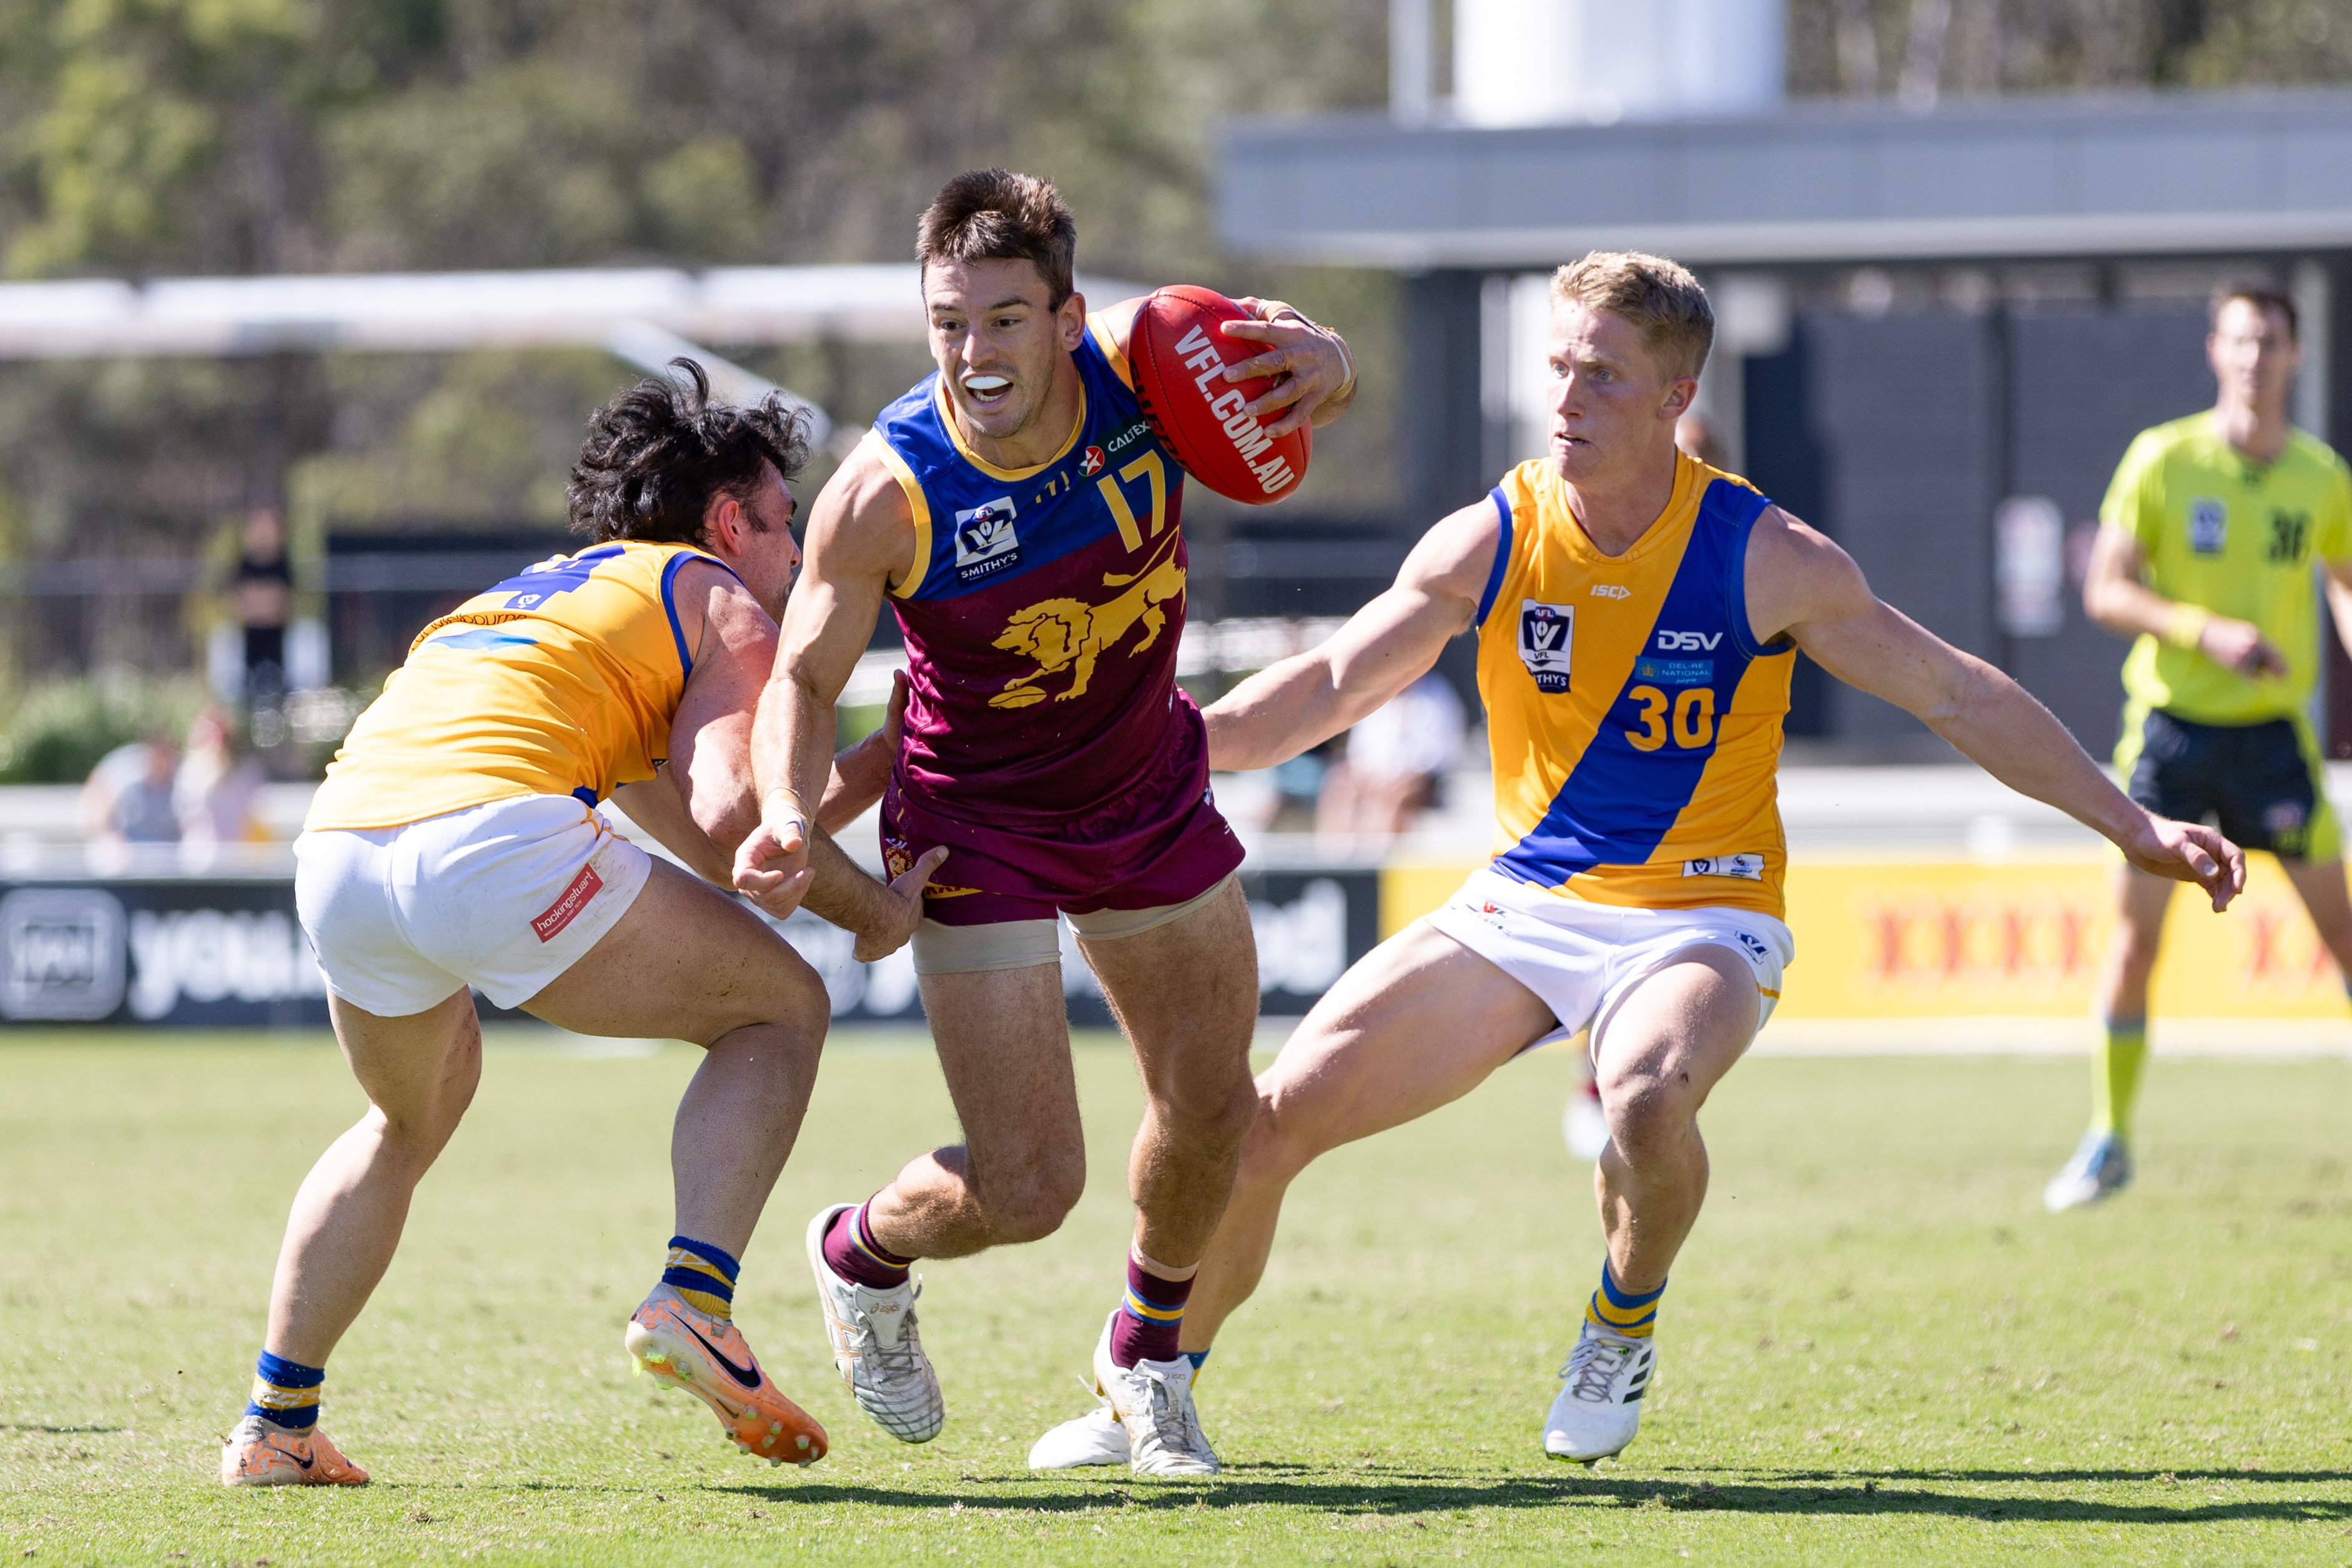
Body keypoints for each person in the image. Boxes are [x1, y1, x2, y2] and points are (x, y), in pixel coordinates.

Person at [1025, 250, 2244, 1470]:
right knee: (1265, 1122)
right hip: (1522, 904)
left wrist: (2132, 826)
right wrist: (1170, 742)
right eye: (1556, 367)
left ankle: (1620, 1313)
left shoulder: (1764, 554)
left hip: (1700, 915)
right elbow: (1339, 680)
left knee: (1646, 1094)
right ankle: (1153, 1382)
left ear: (1674, 398)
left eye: (1601, 375)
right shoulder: (1497, 531)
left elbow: (1956, 693)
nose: (1565, 398)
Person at [731, 169, 1356, 1476]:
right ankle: (862, 1253)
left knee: (1214, 1109)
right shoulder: (884, 492)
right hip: (977, 822)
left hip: (1143, 785)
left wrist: (1330, 363)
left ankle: (1145, 1358)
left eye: (1003, 320)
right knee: (1026, 1188)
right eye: (949, 322)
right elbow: (797, 679)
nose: (974, 353)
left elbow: (1297, 389)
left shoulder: (1153, 364)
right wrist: (792, 808)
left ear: (1070, 318)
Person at [220, 362, 924, 1487]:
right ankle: (694, 1300)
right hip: (489, 841)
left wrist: (880, 761)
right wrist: (878, 913)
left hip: (340, 852)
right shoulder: (714, 592)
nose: (797, 556)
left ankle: (275, 1425)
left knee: (403, 1121)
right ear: (728, 520)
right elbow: (744, 818)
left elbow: (720, 844)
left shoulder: (548, 596)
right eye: (787, 525)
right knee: (782, 1010)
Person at [2046, 282, 2352, 1213]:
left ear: (2294, 354)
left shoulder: (2319, 476)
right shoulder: (2162, 460)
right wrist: (2200, 629)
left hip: (2271, 740)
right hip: (2171, 735)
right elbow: (2104, 590)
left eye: (2268, 341)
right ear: (2214, 352)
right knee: (2135, 944)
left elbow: (2342, 583)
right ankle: (2108, 1139)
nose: (2253, 358)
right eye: (2237, 340)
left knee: (2343, 937)